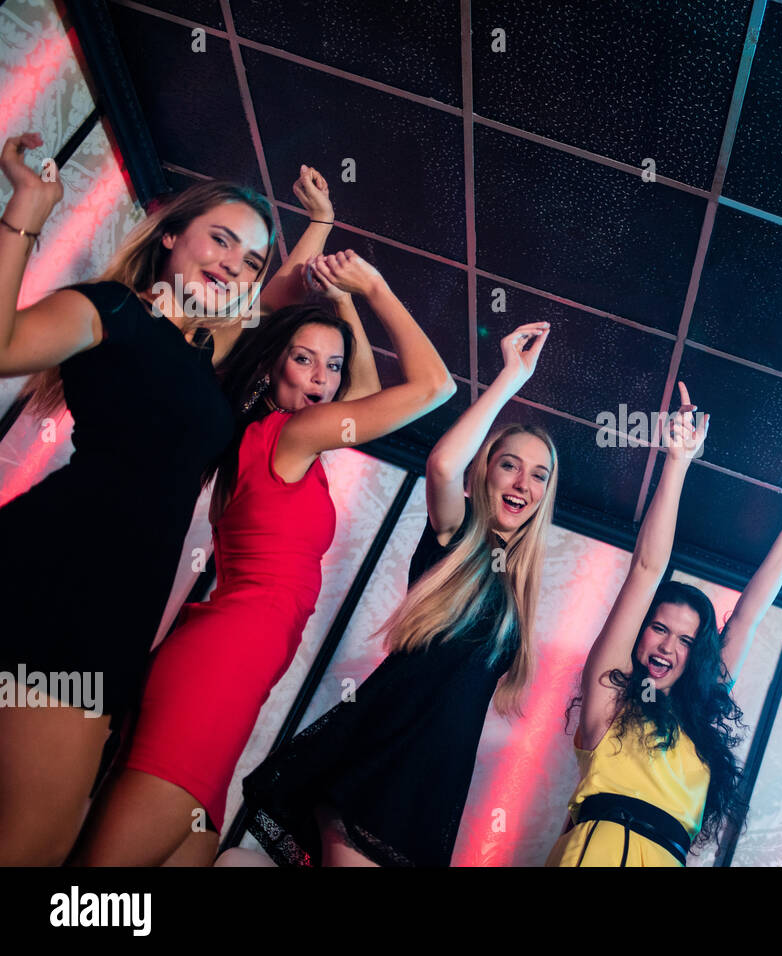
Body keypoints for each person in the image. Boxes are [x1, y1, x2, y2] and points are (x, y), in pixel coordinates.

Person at [72, 232, 456, 865]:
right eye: (305, 360)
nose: (324, 379)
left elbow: (361, 399)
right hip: (221, 664)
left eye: (332, 366)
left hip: (236, 669)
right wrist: (374, 288)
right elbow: (433, 386)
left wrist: (341, 305)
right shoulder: (294, 434)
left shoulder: (266, 439)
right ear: (274, 361)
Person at [0, 132, 274, 865]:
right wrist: (26, 212)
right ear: (173, 235)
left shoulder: (206, 355)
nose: (233, 264)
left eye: (250, 260)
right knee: (31, 849)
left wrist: (317, 240)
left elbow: (273, 298)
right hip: (57, 581)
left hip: (112, 611)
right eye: (220, 239)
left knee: (33, 845)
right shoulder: (114, 310)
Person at [223, 322, 555, 867]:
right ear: (485, 473)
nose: (522, 483)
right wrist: (510, 379)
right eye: (509, 465)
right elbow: (444, 465)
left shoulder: (516, 594)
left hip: (430, 794)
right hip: (379, 763)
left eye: (538, 476)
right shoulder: (458, 536)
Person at [547, 384, 748, 866]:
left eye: (685, 641)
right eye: (659, 629)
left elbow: (749, 615)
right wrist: (677, 462)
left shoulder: (699, 732)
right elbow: (646, 570)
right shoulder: (610, 694)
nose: (667, 646)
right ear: (638, 633)